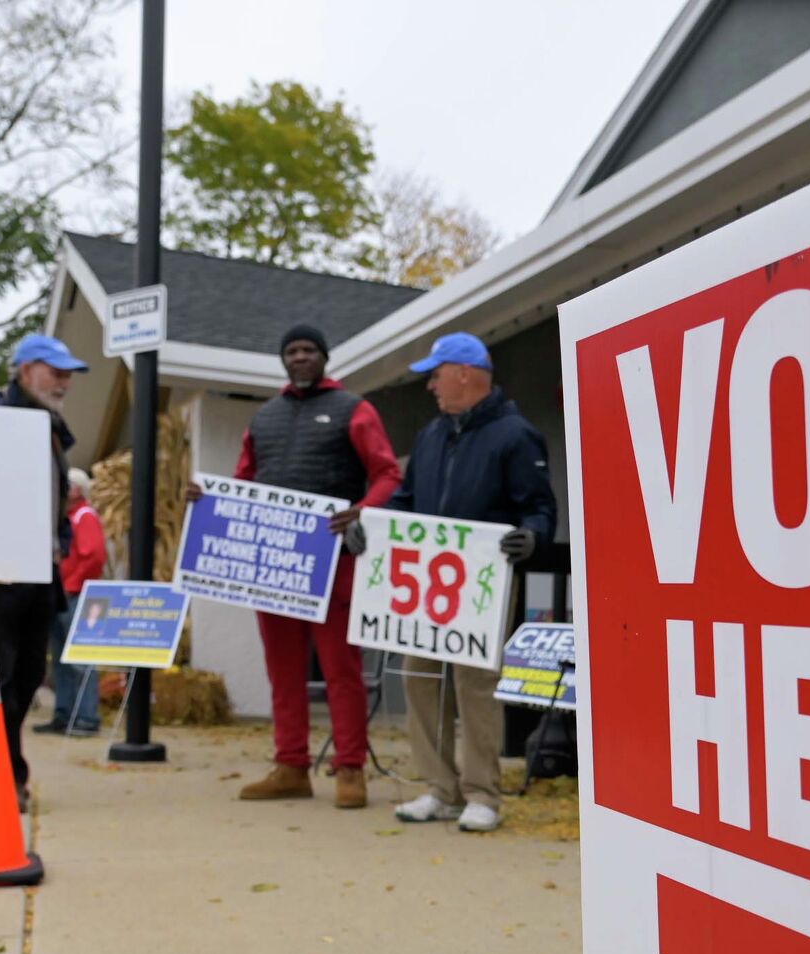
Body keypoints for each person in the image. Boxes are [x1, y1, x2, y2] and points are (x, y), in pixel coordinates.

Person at [187, 323, 400, 809]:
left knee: (340, 670)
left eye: (309, 350)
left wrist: (363, 511)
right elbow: (242, 484)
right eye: (292, 351)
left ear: (324, 357)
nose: (300, 357)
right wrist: (207, 499)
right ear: (283, 360)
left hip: (332, 559)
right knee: (281, 670)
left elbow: (387, 472)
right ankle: (290, 766)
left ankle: (350, 769)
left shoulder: (354, 408)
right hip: (273, 568)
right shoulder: (264, 419)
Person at [384, 333, 556, 833]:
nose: (431, 386)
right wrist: (369, 527)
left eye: (436, 374)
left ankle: (483, 793)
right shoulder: (431, 435)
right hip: (428, 585)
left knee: (474, 682)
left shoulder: (514, 435)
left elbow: (539, 507)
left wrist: (534, 537)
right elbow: (407, 498)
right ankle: (442, 789)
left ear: (464, 373)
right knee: (420, 676)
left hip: (482, 583)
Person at [0, 334, 84, 810]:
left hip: (41, 570)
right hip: (0, 575)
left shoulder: (50, 429)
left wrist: (59, 545)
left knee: (28, 677)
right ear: (24, 371)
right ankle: (3, 776)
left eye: (67, 373)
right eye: (54, 371)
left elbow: (56, 504)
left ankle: (7, 769)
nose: (63, 381)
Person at [36, 466, 108, 737]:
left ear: (75, 490)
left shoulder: (84, 517)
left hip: (75, 595)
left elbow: (94, 557)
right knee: (61, 659)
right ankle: (64, 713)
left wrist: (71, 584)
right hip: (64, 594)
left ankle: (86, 716)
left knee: (79, 659)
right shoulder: (69, 519)